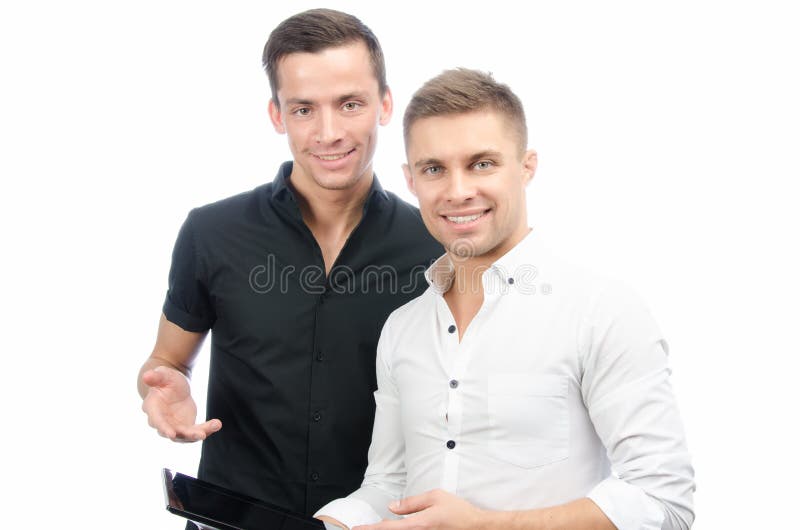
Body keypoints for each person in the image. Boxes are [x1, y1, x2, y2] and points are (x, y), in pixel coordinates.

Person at [315, 69, 695, 530]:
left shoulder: (601, 310)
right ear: (410, 180)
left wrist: (486, 524)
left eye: (482, 163)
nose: (457, 192)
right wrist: (328, 525)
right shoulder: (403, 328)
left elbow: (662, 502)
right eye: (434, 169)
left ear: (527, 166)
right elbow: (391, 485)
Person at [136, 8, 442, 522]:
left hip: (376, 521)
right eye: (303, 109)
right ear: (277, 115)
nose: (329, 132)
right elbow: (166, 363)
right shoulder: (211, 233)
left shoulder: (436, 249)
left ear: (384, 105)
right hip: (232, 518)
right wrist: (163, 388)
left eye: (349, 104)